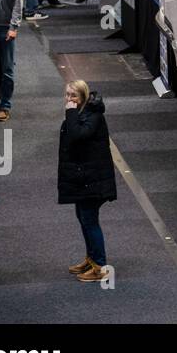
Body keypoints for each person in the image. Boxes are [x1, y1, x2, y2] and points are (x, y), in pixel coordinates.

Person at [59, 80, 116, 283]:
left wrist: (71, 113)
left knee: (90, 220)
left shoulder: (93, 115)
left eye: (73, 96)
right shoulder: (83, 113)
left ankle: (100, 266)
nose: (69, 100)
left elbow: (77, 136)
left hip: (93, 179)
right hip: (83, 177)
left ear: (82, 97)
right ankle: (91, 259)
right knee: (83, 217)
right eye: (67, 95)